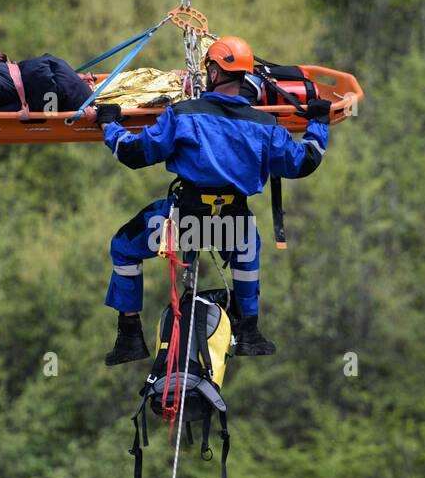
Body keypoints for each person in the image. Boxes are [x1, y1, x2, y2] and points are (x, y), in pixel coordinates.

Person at [96, 35, 331, 366]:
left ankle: (130, 336)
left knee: (123, 246)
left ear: (216, 73)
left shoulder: (184, 114)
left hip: (183, 223)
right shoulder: (265, 125)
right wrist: (318, 123)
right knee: (247, 247)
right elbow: (304, 161)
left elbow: (134, 154)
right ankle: (249, 332)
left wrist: (110, 126)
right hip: (232, 223)